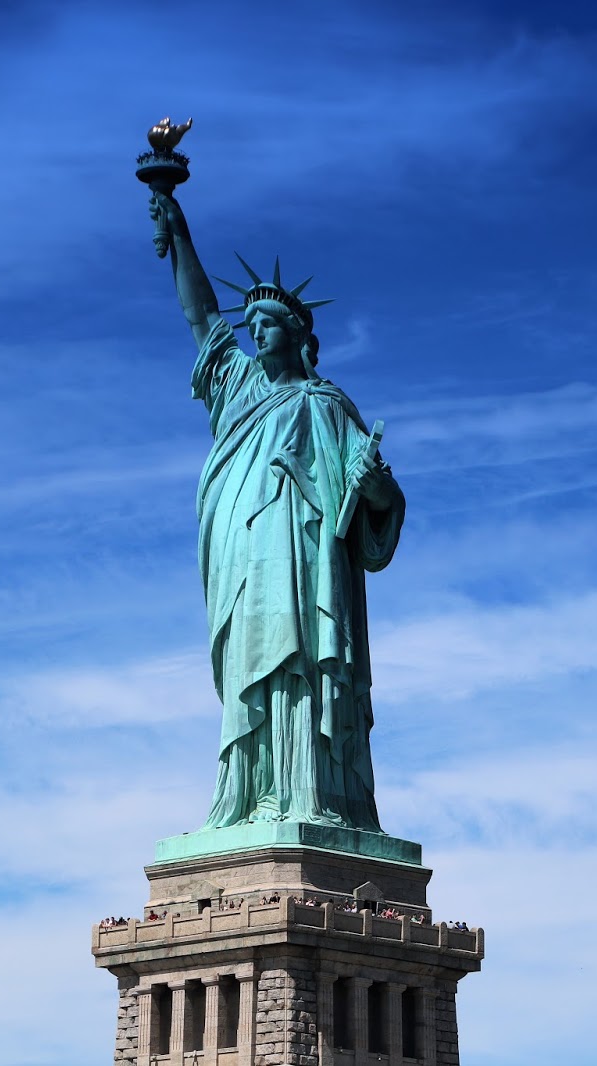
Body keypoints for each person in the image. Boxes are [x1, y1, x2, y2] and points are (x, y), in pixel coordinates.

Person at [149, 191, 405, 831]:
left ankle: (311, 796)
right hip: (246, 563)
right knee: (253, 671)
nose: (255, 329)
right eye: (252, 321)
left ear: (298, 335)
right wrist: (178, 228)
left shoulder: (328, 406)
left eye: (268, 322)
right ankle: (247, 799)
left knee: (305, 668)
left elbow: (382, 504)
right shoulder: (236, 388)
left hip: (308, 565)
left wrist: (372, 487)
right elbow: (200, 316)